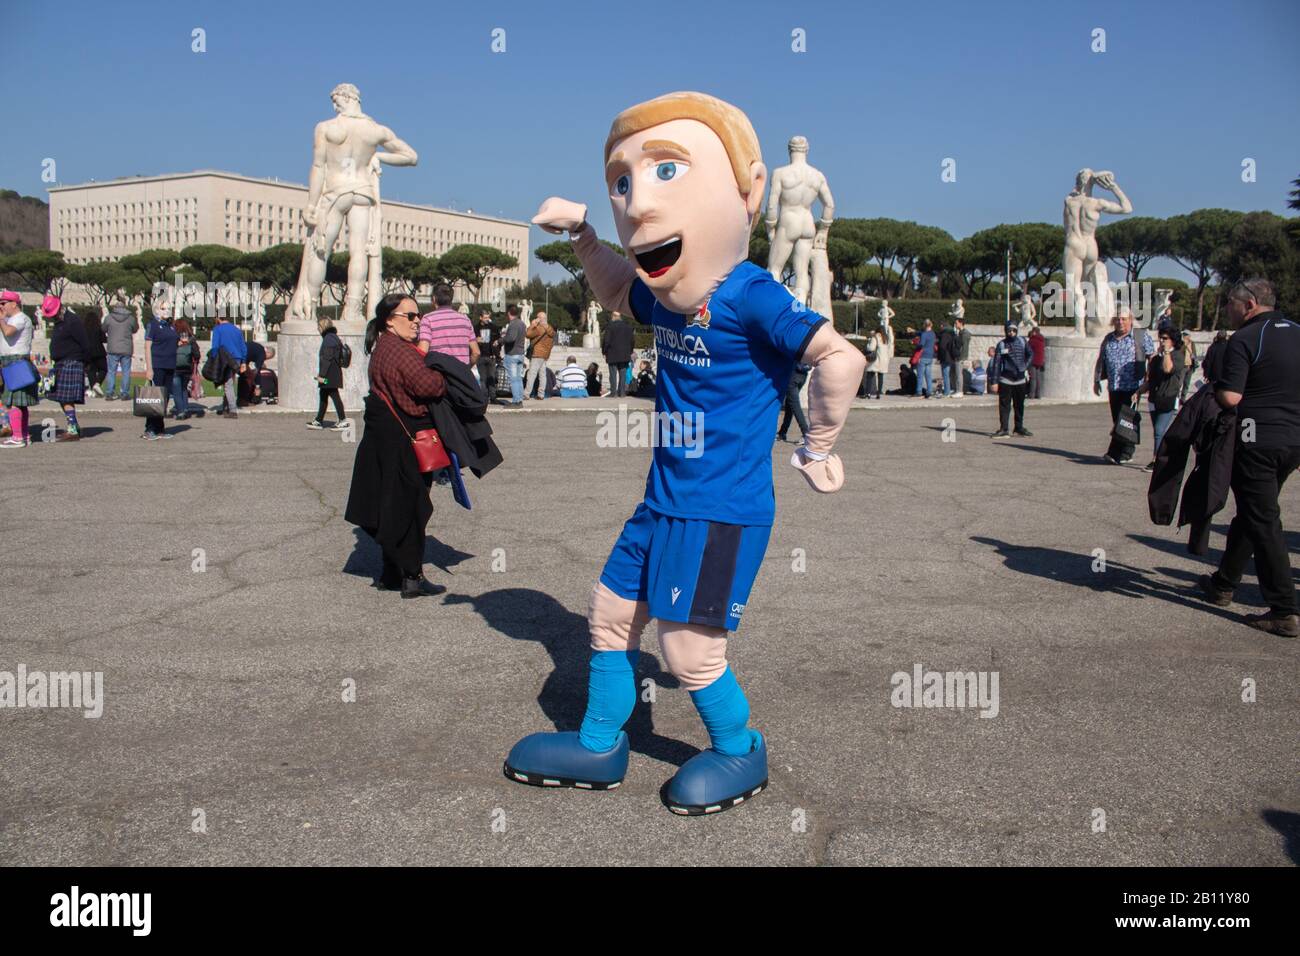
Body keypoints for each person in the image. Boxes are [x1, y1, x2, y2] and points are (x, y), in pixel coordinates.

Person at [508, 90, 865, 816]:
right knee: (607, 616)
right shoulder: (671, 299)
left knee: (687, 655)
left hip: (721, 509)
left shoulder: (751, 295)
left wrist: (819, 444)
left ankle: (740, 751)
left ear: (749, 191)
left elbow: (840, 357)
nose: (637, 203)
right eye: (623, 183)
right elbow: (617, 294)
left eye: (668, 172)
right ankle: (601, 744)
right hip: (660, 501)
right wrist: (582, 234)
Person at [1198, 279, 1300, 637]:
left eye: (1231, 303)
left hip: (1256, 439)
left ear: (1251, 304)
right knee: (1254, 511)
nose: (1228, 309)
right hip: (1293, 441)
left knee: (1265, 519)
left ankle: (1284, 610)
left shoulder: (1245, 339)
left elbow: (1230, 397)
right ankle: (1224, 583)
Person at [344, 293, 448, 599]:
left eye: (419, 316)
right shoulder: (401, 351)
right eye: (411, 316)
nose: (418, 321)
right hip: (405, 441)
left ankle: (390, 573)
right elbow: (426, 386)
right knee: (410, 506)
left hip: (384, 439)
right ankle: (412, 577)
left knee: (390, 503)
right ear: (390, 320)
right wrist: (441, 377)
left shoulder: (382, 347)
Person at [1093, 307, 1154, 464]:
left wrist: (1150, 378)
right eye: (1118, 319)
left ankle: (1117, 453)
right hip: (1114, 386)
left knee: (1125, 419)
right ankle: (1126, 450)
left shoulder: (1140, 336)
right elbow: (1101, 359)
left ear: (1130, 320)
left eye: (1124, 319)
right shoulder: (1109, 338)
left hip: (1133, 385)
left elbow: (1151, 356)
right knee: (1118, 419)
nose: (1120, 322)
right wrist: (1097, 379)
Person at [1138, 326, 1186, 471]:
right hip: (1154, 398)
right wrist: (1140, 391)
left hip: (1168, 399)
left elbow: (1168, 369)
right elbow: (1151, 379)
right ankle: (1163, 456)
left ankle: (1156, 460)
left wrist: (1165, 352)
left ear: (1173, 340)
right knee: (1157, 431)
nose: (1161, 340)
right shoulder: (1156, 358)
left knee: (1159, 430)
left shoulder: (1177, 355)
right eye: (1160, 337)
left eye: (1165, 338)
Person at [46, 296, 90, 442]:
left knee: (66, 398)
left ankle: (72, 430)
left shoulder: (73, 321)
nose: (52, 317)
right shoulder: (59, 322)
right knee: (61, 398)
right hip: (61, 363)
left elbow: (84, 342)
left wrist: (84, 363)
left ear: (60, 308)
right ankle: (74, 426)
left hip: (71, 362)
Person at [0, 290, 39, 447]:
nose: (1, 307)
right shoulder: (11, 319)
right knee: (19, 402)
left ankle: (17, 437)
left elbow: (9, 332)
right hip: (9, 361)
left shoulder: (21, 318)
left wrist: (1, 319)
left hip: (16, 361)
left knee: (14, 402)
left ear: (14, 303)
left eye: (3, 303)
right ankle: (23, 435)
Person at [988, 319, 1033, 438]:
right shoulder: (1001, 345)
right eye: (1009, 330)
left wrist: (1025, 366)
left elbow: (1030, 354)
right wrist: (994, 382)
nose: (1011, 332)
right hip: (1006, 380)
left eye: (1014, 330)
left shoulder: (1023, 341)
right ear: (1006, 331)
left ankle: (1018, 428)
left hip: (1020, 380)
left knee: (1019, 406)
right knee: (1004, 406)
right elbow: (997, 364)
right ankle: (1004, 429)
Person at [417, 283, 480, 369]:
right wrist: (466, 370)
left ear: (434, 299)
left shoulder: (428, 319)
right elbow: (476, 352)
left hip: (439, 373)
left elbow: (422, 351)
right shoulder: (465, 320)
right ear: (451, 299)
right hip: (461, 376)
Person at [142, 303, 179, 440]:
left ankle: (159, 428)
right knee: (155, 398)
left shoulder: (170, 325)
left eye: (168, 308)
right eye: (163, 308)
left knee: (165, 398)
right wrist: (149, 368)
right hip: (158, 366)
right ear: (156, 310)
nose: (167, 310)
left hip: (170, 366)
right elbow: (147, 347)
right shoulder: (153, 325)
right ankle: (150, 428)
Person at [309, 317, 347, 429]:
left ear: (322, 326)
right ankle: (318, 420)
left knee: (334, 395)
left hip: (329, 375)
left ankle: (343, 419)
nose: (317, 329)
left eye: (318, 327)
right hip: (332, 373)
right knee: (324, 395)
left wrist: (321, 375)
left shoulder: (328, 339)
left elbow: (327, 359)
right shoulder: (332, 337)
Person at [210, 315, 248, 418]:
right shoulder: (236, 330)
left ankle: (232, 410)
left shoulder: (218, 329)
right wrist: (243, 361)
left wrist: (213, 359)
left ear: (218, 318)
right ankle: (226, 406)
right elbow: (243, 347)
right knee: (229, 382)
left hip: (225, 359)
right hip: (237, 359)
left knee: (228, 384)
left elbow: (215, 346)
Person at [101, 295, 138, 401]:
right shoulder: (130, 318)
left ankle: (109, 393)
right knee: (126, 372)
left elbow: (103, 329)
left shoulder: (109, 318)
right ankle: (124, 393)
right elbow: (135, 329)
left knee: (111, 371)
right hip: (126, 348)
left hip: (113, 348)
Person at [601, 309, 635, 397]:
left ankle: (613, 393)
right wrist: (630, 351)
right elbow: (632, 341)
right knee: (623, 374)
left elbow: (606, 341)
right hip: (624, 355)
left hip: (612, 354)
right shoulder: (628, 327)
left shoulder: (610, 327)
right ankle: (622, 393)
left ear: (614, 316)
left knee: (613, 375)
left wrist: (604, 351)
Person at [523, 309, 555, 400]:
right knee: (542, 374)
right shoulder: (550, 328)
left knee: (531, 374)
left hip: (537, 354)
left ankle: (526, 394)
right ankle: (541, 394)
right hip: (545, 355)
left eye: (537, 317)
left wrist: (532, 325)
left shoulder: (539, 328)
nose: (536, 319)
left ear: (540, 319)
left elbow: (527, 334)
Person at [171, 319, 198, 420]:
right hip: (187, 368)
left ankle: (181, 411)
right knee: (184, 389)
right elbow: (197, 354)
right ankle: (185, 409)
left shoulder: (174, 338)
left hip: (176, 367)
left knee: (176, 391)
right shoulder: (191, 339)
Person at [500, 304, 526, 406]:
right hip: (520, 354)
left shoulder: (513, 324)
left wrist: (501, 340)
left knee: (514, 379)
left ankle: (516, 401)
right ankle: (519, 399)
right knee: (518, 378)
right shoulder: (522, 324)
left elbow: (511, 338)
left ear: (509, 313)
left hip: (512, 354)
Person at [776, 363, 810, 442]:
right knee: (790, 404)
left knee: (795, 405)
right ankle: (782, 433)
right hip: (803, 375)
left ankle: (806, 434)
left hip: (793, 375)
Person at [81, 307, 107, 398]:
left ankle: (94, 386)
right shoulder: (98, 328)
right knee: (104, 369)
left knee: (90, 371)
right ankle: (97, 384)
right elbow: (104, 339)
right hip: (99, 351)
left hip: (88, 352)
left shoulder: (83, 329)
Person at [474, 309, 500, 399]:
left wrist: (496, 353)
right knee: (483, 378)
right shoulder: (475, 328)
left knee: (492, 377)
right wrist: (475, 340)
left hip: (491, 356)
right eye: (485, 318)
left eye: (488, 317)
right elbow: (469, 341)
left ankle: (493, 397)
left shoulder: (494, 327)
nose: (487, 319)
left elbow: (499, 341)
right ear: (480, 317)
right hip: (480, 356)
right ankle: (484, 397)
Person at [937, 320, 960, 398]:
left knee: (945, 375)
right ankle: (949, 390)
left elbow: (942, 346)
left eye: (940, 325)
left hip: (945, 357)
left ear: (943, 326)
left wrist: (940, 355)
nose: (940, 327)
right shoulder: (952, 333)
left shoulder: (944, 334)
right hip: (951, 357)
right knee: (948, 374)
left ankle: (947, 392)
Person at [914, 319, 936, 398]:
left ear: (924, 325)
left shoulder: (924, 334)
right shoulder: (933, 334)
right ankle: (929, 391)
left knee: (920, 375)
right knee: (928, 375)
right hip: (930, 356)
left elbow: (921, 344)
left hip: (923, 356)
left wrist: (915, 343)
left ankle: (919, 391)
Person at [954, 316, 971, 399]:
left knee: (959, 374)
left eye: (956, 323)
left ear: (961, 323)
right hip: (959, 357)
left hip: (960, 357)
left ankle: (959, 391)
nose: (955, 324)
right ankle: (958, 390)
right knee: (958, 374)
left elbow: (964, 347)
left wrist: (962, 357)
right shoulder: (961, 332)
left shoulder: (964, 333)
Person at [1027, 324, 1047, 398]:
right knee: (1038, 379)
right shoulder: (1042, 340)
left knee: (1033, 379)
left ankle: (1031, 394)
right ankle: (1038, 395)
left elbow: (1027, 351)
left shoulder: (1032, 340)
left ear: (1034, 332)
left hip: (1033, 361)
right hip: (1040, 362)